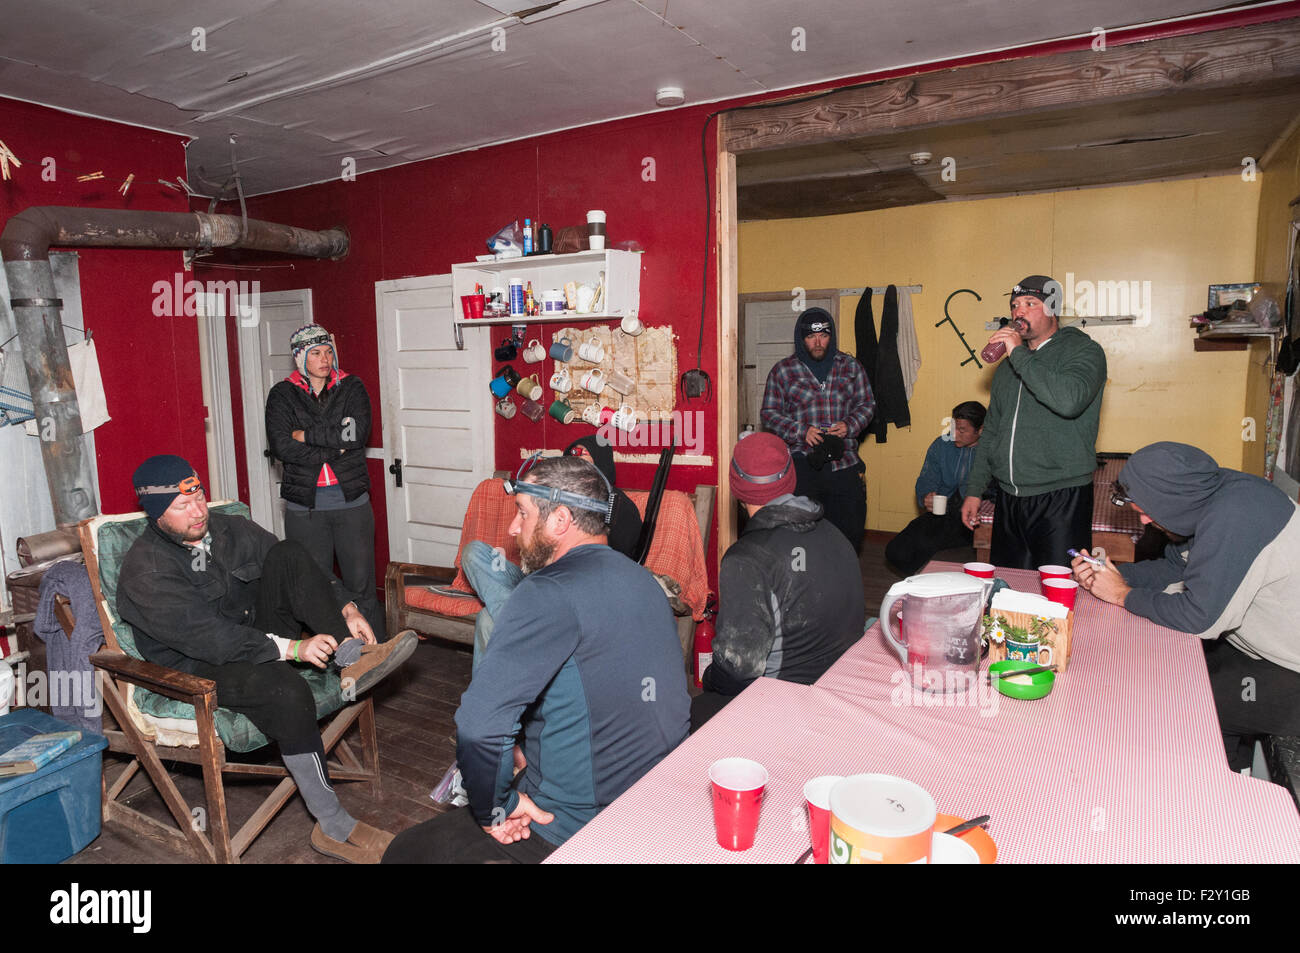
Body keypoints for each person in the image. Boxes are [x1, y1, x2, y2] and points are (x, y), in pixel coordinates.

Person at [382, 456, 689, 863]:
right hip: (657, 799)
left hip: (578, 823)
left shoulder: (545, 593)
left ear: (560, 519)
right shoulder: (645, 582)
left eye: (523, 513)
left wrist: (499, 809)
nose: (513, 528)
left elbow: (479, 729)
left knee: (404, 852)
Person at [116, 454, 418, 863]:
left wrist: (345, 606)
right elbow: (212, 640)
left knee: (289, 552)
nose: (199, 510)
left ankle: (353, 655)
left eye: (199, 496)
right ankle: (332, 825)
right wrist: (292, 648)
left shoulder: (228, 527)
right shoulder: (145, 571)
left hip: (255, 633)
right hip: (199, 665)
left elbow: (297, 565)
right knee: (286, 689)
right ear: (155, 514)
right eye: (182, 506)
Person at [1071, 442, 1300, 772]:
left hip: (1290, 667)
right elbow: (1174, 570)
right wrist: (1111, 574)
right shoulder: (1209, 496)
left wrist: (1121, 594)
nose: (1146, 520)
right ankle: (1231, 772)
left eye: (1146, 510)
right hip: (1261, 646)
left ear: (1171, 500)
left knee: (1200, 705)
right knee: (1172, 673)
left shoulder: (1238, 516)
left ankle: (1219, 794)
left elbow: (1198, 618)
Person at [691, 432, 864, 731]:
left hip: (786, 705)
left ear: (736, 486)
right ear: (791, 477)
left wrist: (709, 679)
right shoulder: (835, 534)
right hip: (841, 687)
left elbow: (738, 668)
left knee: (687, 713)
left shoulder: (746, 558)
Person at [460, 436, 643, 670]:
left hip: (572, 591)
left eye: (585, 460)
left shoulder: (618, 507)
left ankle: (517, 622)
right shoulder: (548, 500)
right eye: (572, 459)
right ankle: (517, 619)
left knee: (488, 619)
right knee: (475, 551)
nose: (578, 466)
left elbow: (618, 558)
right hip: (533, 581)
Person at [960, 275, 1106, 569]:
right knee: (1008, 587)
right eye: (1015, 305)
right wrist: (974, 490)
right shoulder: (1008, 367)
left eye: (1030, 303)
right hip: (1010, 497)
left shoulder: (1084, 351)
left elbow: (1068, 401)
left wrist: (1018, 354)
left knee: (1058, 589)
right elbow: (992, 434)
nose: (1018, 312)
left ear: (1052, 308)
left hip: (1061, 497)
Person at [266, 323, 385, 641]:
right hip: (304, 508)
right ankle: (332, 665)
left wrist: (303, 435)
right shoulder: (282, 394)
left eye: (328, 351)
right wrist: (334, 446)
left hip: (352, 505)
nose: (325, 358)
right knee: (315, 589)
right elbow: (281, 446)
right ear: (299, 357)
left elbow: (355, 435)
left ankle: (376, 661)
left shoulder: (352, 387)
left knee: (361, 587)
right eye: (316, 353)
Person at [761, 307, 876, 552]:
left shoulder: (851, 367)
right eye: (811, 336)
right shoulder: (783, 371)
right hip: (803, 465)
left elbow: (868, 404)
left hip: (844, 463)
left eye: (823, 335)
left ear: (830, 336)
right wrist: (800, 431)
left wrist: (850, 424)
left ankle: (843, 582)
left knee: (850, 532)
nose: (817, 342)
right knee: (801, 536)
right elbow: (769, 413)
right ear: (801, 339)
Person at [885, 401, 986, 576]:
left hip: (975, 521)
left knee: (936, 550)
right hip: (943, 515)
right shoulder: (942, 445)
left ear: (981, 430)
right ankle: (917, 584)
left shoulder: (990, 450)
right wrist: (926, 495)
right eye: (953, 427)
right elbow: (926, 477)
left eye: (962, 430)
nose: (954, 434)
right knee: (896, 551)